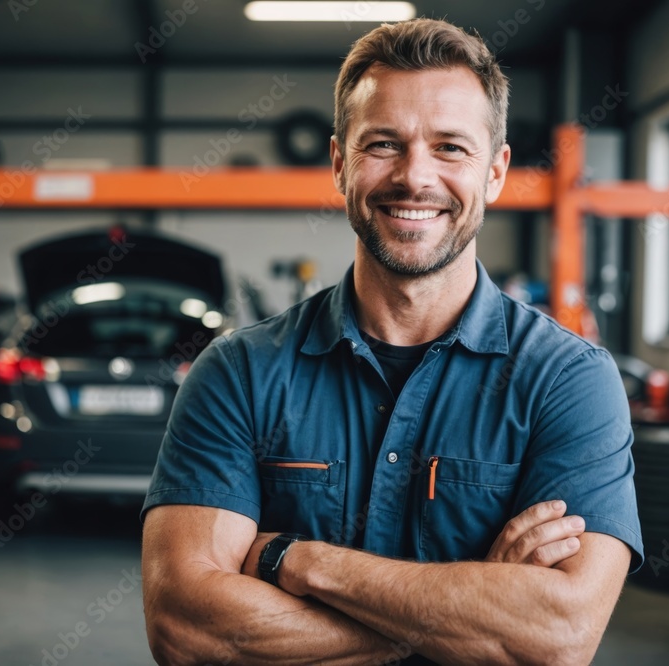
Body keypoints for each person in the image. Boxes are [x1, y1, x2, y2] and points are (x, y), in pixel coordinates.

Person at [141, 17, 643, 665]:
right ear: (338, 164)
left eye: (450, 148)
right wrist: (471, 611)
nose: (415, 177)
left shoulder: (569, 380)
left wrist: (295, 559)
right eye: (383, 144)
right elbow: (187, 630)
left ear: (495, 172)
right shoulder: (239, 372)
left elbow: (557, 637)